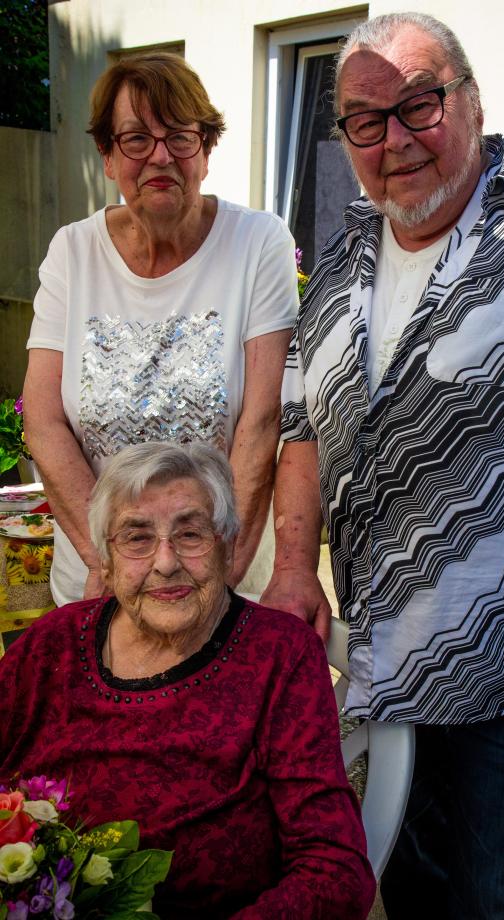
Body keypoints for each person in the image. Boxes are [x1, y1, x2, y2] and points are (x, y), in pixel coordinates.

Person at [261, 11, 504, 920]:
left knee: (501, 904)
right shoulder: (345, 252)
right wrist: (294, 569)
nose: (395, 139)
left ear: (469, 100)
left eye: (418, 105)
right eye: (364, 120)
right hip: (383, 681)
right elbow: (303, 423)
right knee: (410, 894)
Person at [0, 441, 376, 920]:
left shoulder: (279, 654)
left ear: (228, 547)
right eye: (136, 538)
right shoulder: (53, 643)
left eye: (191, 534)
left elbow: (334, 871)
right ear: (107, 562)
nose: (165, 562)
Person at [22, 51, 298, 607]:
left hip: (224, 581)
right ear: (106, 155)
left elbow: (263, 421)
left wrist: (215, 576)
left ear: (206, 148)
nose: (160, 157)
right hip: (97, 585)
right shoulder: (72, 253)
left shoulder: (257, 244)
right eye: (136, 139)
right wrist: (114, 563)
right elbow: (45, 423)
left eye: (180, 137)